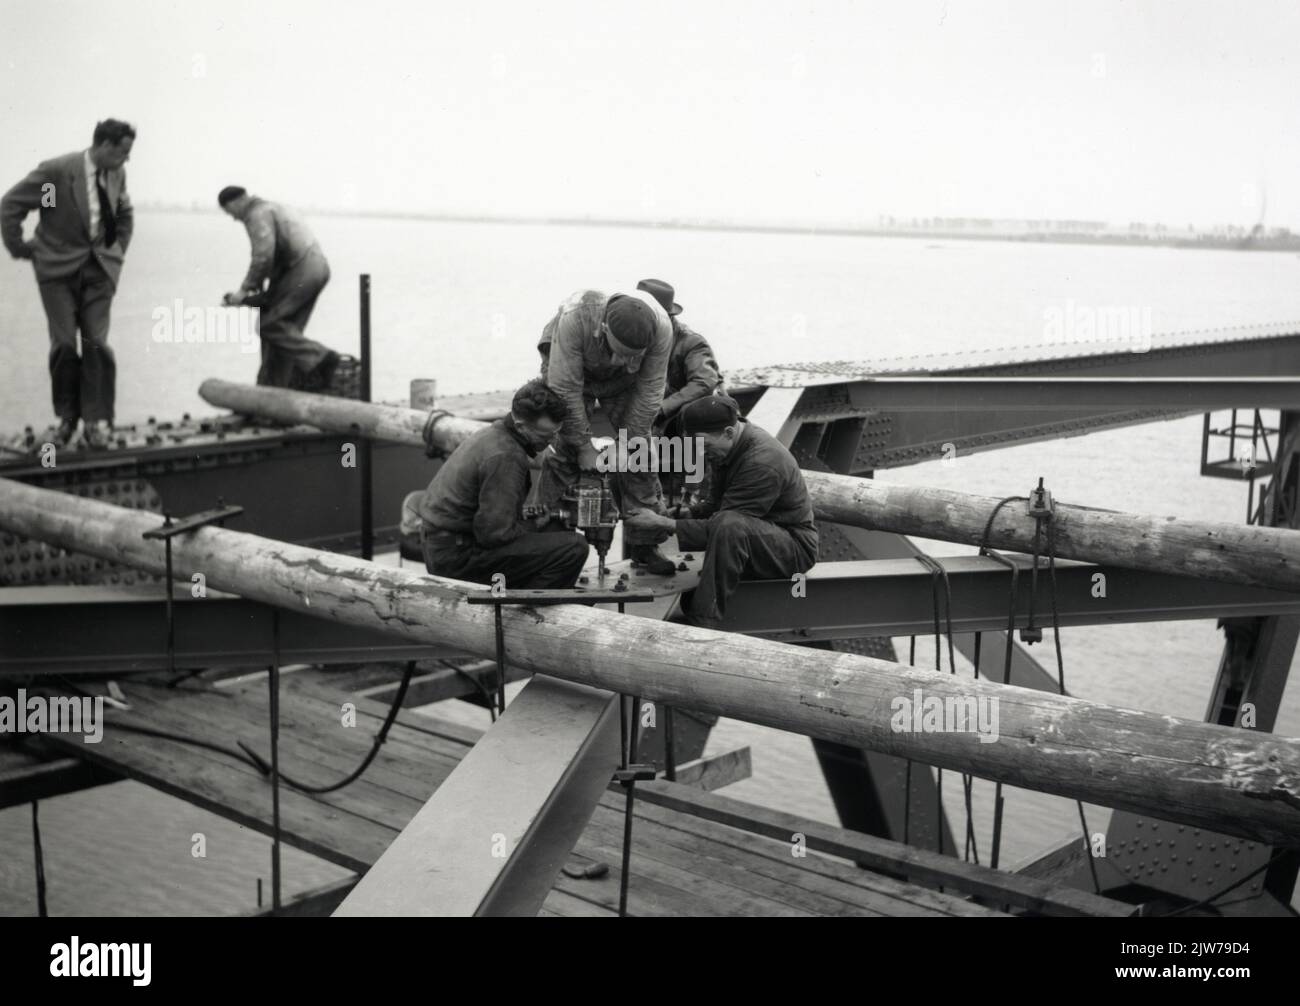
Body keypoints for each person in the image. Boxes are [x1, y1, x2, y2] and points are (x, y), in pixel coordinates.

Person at [625, 395, 818, 628]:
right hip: (762, 535)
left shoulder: (762, 462)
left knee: (729, 525)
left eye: (704, 446)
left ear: (728, 432)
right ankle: (697, 604)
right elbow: (716, 506)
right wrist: (683, 514)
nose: (702, 454)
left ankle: (703, 621)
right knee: (727, 523)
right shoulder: (727, 447)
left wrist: (662, 524)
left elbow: (725, 527)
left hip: (793, 549)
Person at [1, 119, 136, 449]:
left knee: (96, 345)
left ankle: (94, 423)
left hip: (99, 272)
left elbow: (124, 213)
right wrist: (22, 248)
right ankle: (67, 419)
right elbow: (14, 206)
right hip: (58, 273)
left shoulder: (116, 173)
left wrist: (115, 252)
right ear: (104, 145)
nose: (126, 160)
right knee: (63, 345)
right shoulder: (56, 174)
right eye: (123, 152)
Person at [536, 288, 677, 575]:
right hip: (571, 374)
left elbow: (649, 392)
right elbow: (565, 389)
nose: (626, 361)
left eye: (634, 356)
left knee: (640, 458)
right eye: (622, 354)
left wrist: (628, 445)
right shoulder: (576, 320)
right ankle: (546, 538)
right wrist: (585, 446)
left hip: (623, 385)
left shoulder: (662, 329)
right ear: (603, 330)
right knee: (564, 452)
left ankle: (644, 545)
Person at [417, 379, 590, 588]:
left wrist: (532, 522)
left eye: (555, 434)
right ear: (521, 426)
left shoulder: (495, 433)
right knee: (574, 548)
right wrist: (532, 526)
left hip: (445, 545)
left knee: (554, 529)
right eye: (546, 435)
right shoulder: (506, 456)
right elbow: (495, 535)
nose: (551, 442)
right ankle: (527, 611)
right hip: (457, 559)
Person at [217, 186, 339, 389]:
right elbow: (276, 264)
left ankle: (322, 358)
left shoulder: (257, 214)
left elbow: (263, 256)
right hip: (314, 268)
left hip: (303, 269)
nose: (233, 218)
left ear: (235, 203)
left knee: (268, 326)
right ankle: (274, 393)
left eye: (229, 212)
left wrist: (244, 290)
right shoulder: (273, 208)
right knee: (284, 334)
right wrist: (255, 297)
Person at [634, 278, 723, 430]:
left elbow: (704, 382)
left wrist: (661, 409)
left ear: (664, 317)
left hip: (697, 422)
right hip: (656, 418)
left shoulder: (691, 342)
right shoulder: (637, 336)